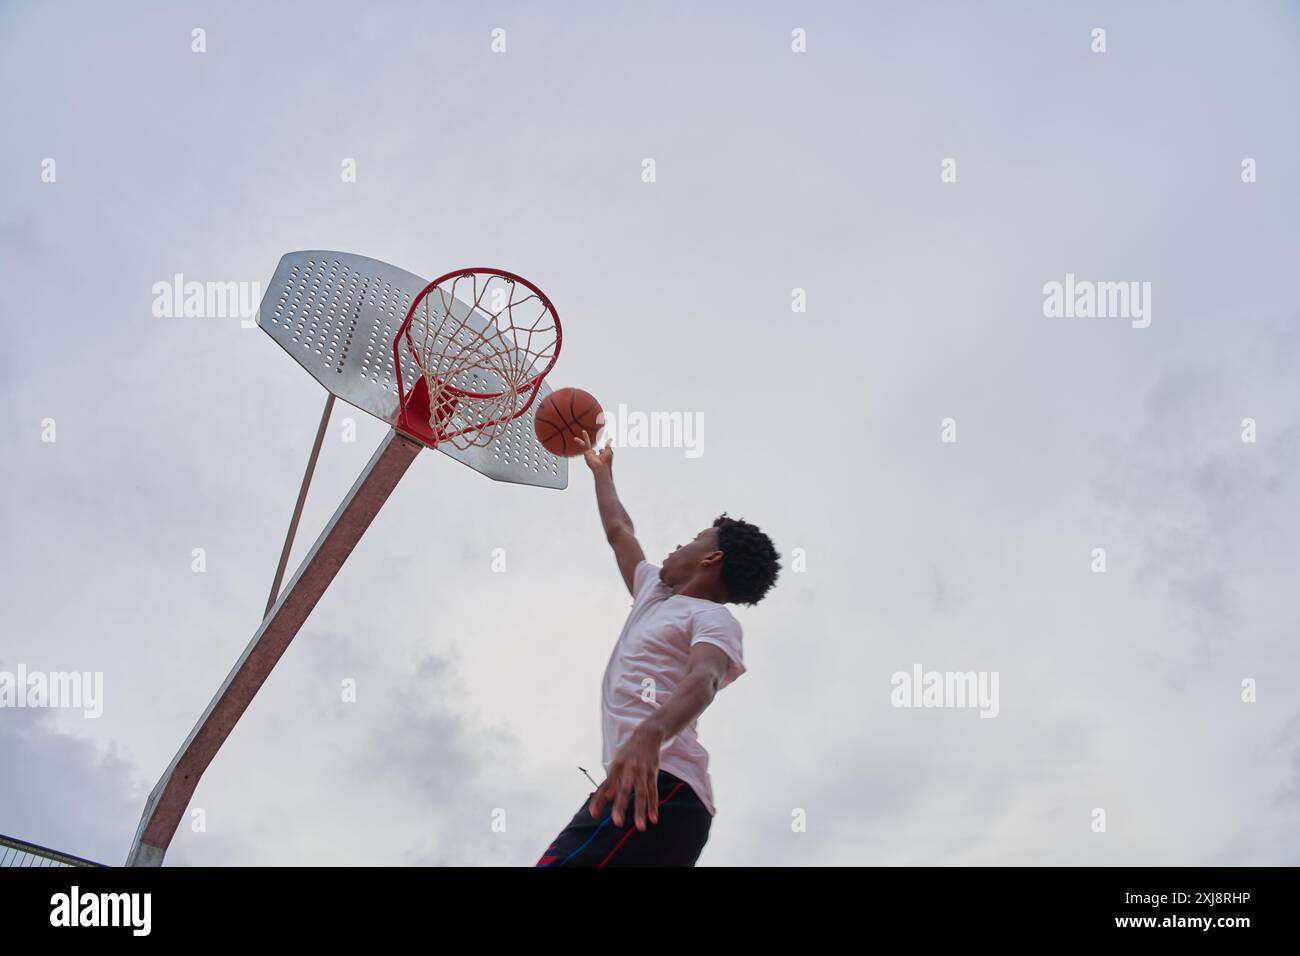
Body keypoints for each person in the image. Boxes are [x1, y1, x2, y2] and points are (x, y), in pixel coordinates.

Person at [535, 433, 780, 866]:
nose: (678, 545)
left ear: (710, 560)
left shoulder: (711, 619)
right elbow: (619, 531)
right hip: (644, 787)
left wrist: (652, 732)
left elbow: (703, 679)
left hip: (664, 788)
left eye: (693, 539)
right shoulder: (653, 594)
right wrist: (602, 473)